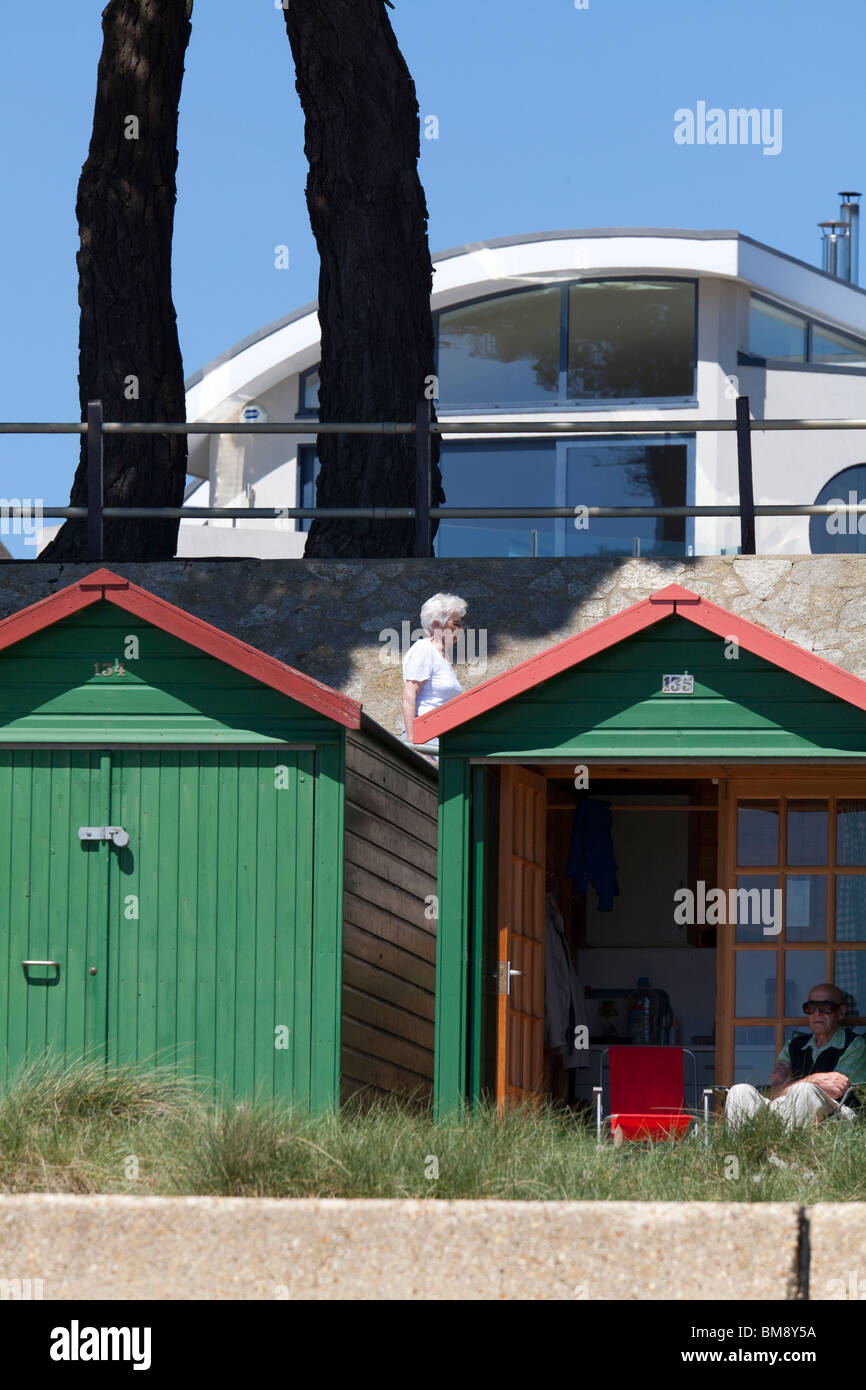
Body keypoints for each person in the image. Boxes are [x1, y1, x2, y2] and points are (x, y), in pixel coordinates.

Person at [725, 983, 866, 1131]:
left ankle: (789, 1152)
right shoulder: (793, 1045)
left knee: (804, 1091)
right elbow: (774, 1093)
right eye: (810, 1008)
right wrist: (814, 1081)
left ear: (840, 1012)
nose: (816, 1013)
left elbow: (838, 1089)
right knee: (740, 1092)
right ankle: (741, 1151)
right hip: (787, 1109)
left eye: (825, 1007)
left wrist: (798, 1085)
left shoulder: (856, 1045)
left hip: (836, 1116)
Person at [401, 593, 467, 763]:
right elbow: (409, 696)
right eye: (456, 623)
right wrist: (414, 746)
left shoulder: (443, 657)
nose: (461, 629)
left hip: (441, 738)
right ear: (437, 625)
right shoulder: (424, 649)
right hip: (427, 740)